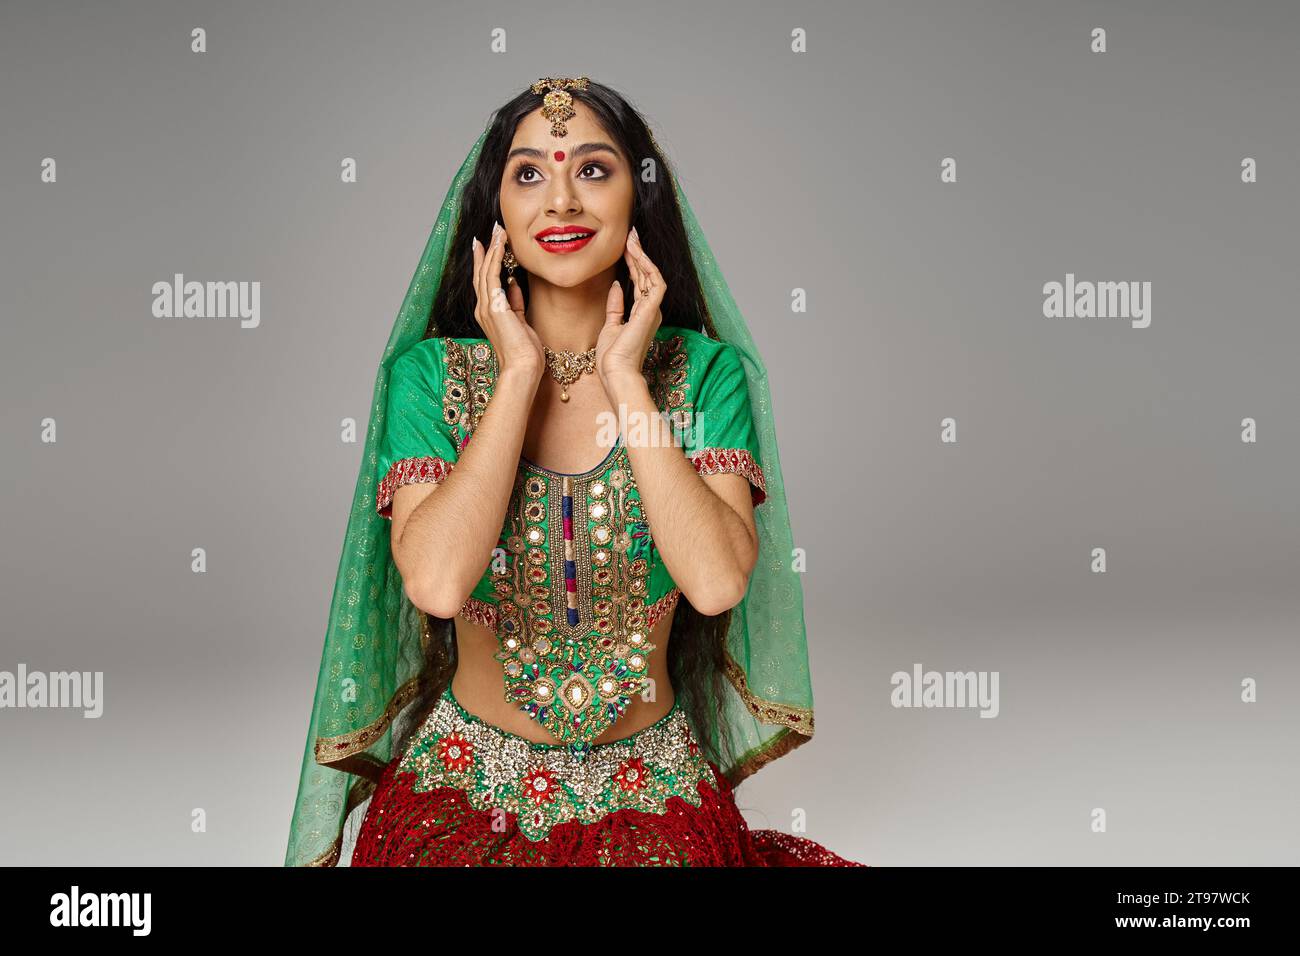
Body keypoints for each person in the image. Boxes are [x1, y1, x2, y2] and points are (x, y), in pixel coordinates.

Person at [285, 76, 864, 867]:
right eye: (528, 175)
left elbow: (719, 582)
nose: (561, 201)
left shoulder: (702, 376)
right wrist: (517, 374)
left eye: (593, 169)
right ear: (497, 213)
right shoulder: (429, 377)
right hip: (462, 802)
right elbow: (438, 584)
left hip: (652, 799)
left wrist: (627, 382)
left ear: (639, 199)